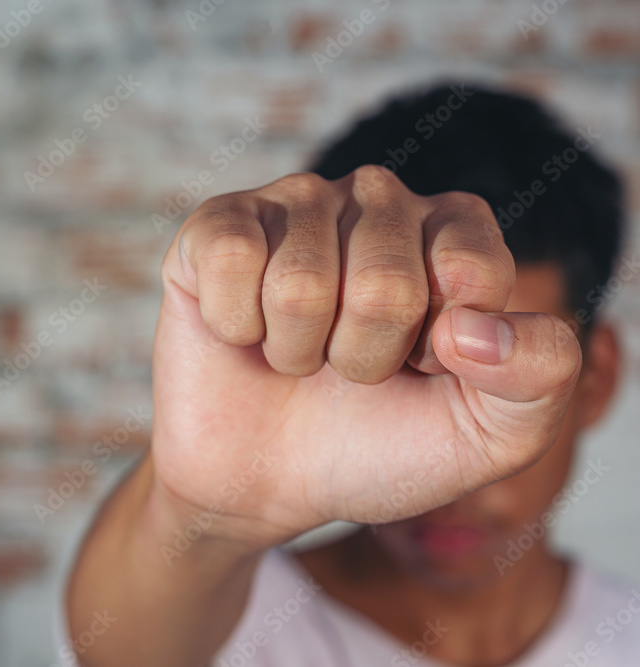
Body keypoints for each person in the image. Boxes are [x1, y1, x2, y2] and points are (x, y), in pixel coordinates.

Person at [56, 82, 639, 666]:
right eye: (402, 364)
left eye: (494, 380)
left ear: (598, 378)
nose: (453, 482)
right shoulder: (221, 624)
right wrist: (208, 518)